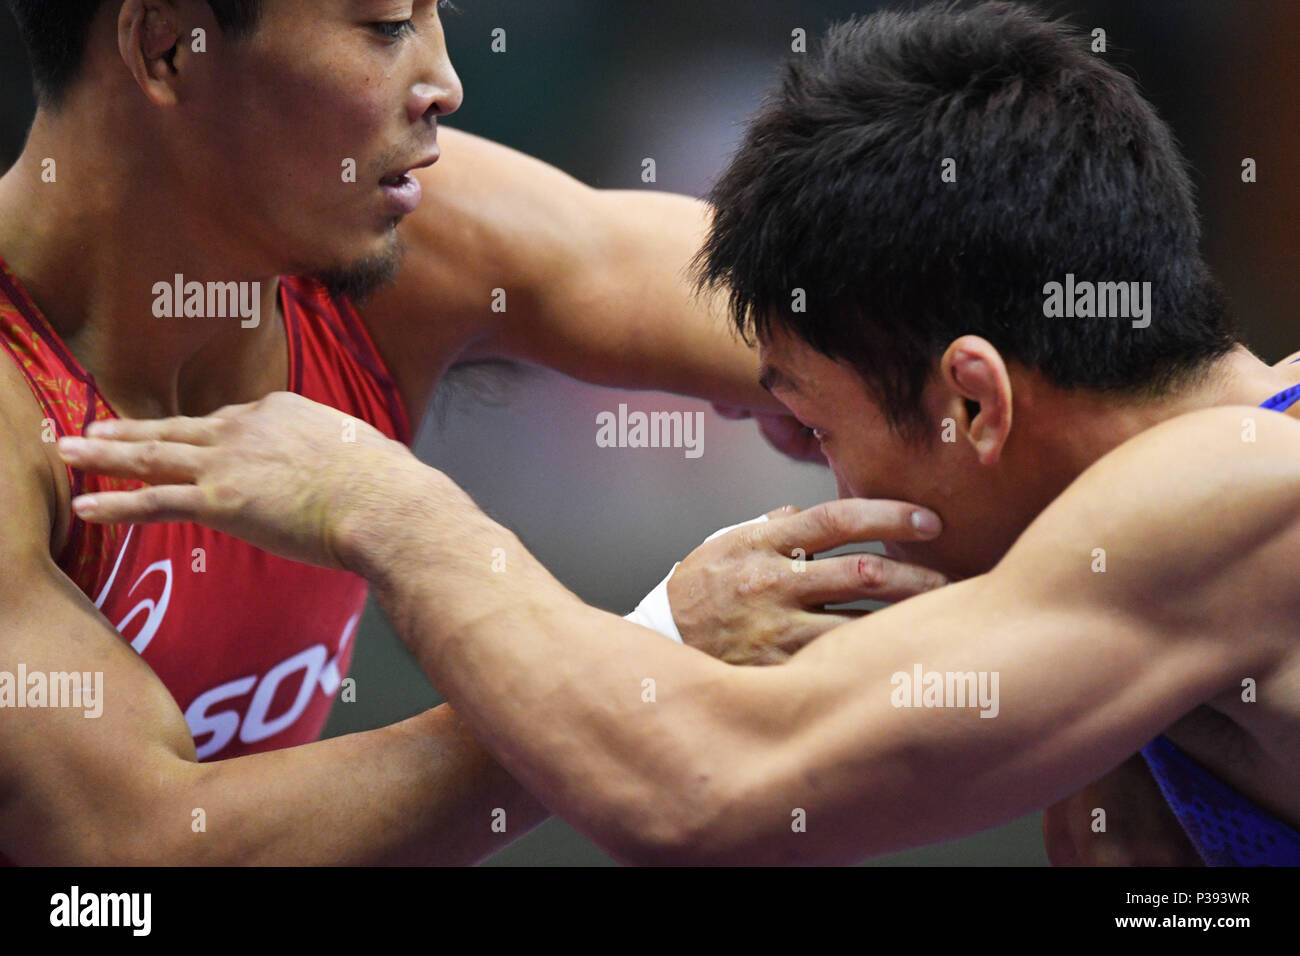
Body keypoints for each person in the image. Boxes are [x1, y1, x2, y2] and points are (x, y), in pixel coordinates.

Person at [64, 1, 1300, 866]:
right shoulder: (1192, 506)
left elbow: (707, 787)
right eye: (386, 25)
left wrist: (390, 507)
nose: (441, 79)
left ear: (973, 402)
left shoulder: (1215, 506)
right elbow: (113, 877)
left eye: (811, 432)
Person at [0, 0, 928, 864]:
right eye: (384, 24)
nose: (446, 81)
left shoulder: (406, 229)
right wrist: (644, 662)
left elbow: (926, 351)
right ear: (166, 46)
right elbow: (125, 857)